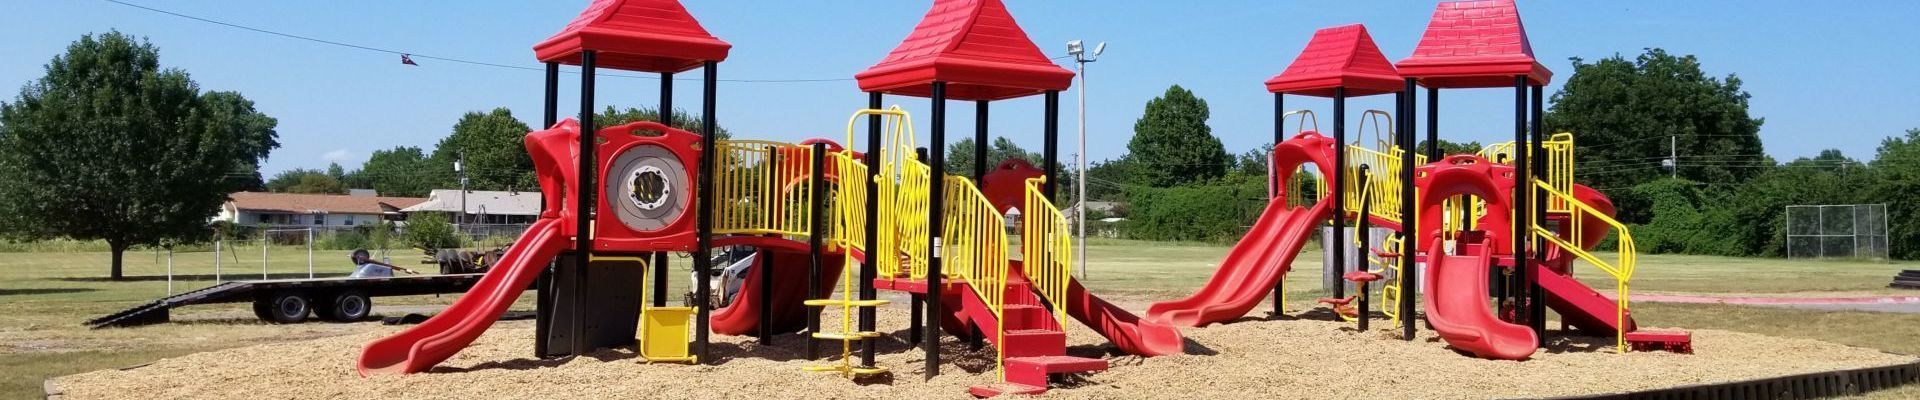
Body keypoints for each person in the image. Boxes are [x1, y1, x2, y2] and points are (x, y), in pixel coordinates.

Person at [348, 249, 417, 278]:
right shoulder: (364, 262)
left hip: (389, 267)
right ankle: (412, 272)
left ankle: (412, 272)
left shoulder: (366, 260)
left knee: (399, 269)